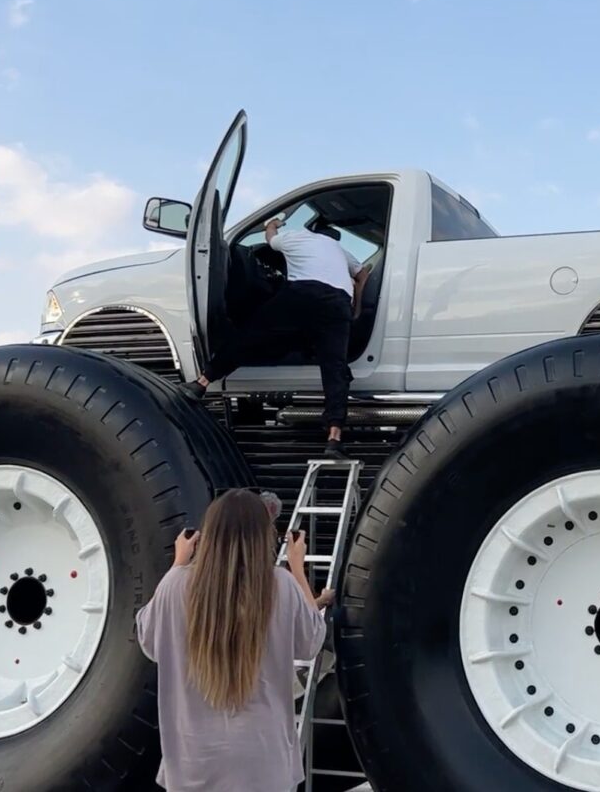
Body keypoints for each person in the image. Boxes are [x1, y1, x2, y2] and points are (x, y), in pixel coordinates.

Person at [135, 489, 335, 792]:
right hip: (264, 762)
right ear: (264, 536)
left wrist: (178, 563)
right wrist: (297, 568)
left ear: (208, 535)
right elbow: (311, 640)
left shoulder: (175, 587)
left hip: (194, 763)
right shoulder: (281, 585)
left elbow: (149, 642)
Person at [182, 213, 370, 459]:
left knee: (251, 335)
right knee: (335, 368)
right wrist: (356, 307)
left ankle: (201, 383)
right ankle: (334, 440)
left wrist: (272, 224)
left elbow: (270, 240)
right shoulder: (339, 249)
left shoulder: (297, 237)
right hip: (337, 303)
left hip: (302, 293)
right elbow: (362, 273)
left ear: (310, 229)